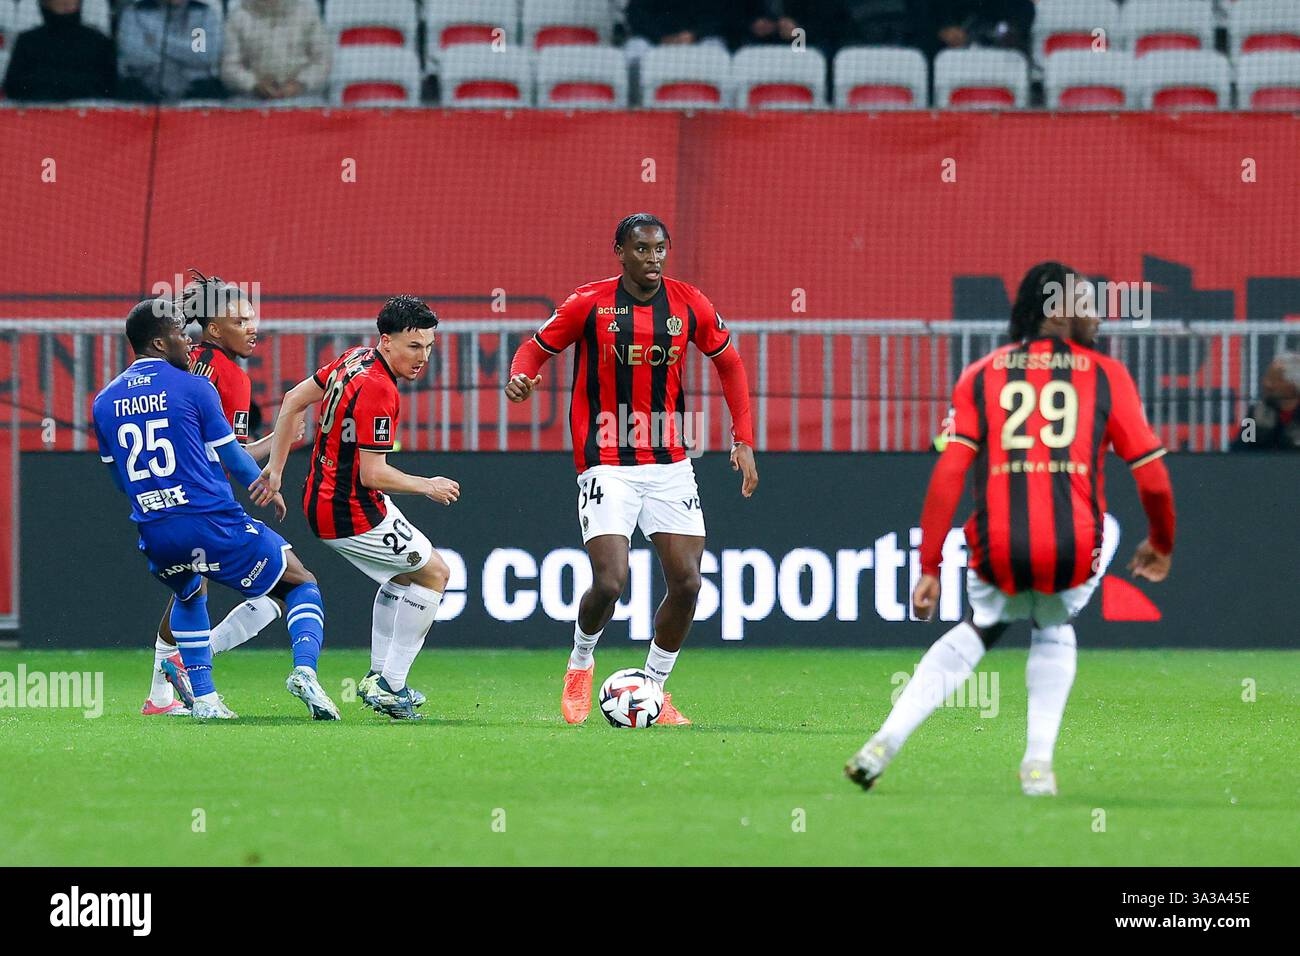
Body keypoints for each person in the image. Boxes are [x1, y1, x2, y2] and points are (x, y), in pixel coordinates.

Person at [845, 262, 1176, 796]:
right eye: (1086, 303)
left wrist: (929, 566)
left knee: (988, 620)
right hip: (1072, 549)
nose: (1096, 315)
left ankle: (885, 741)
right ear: (1056, 310)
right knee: (1055, 617)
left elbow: (949, 473)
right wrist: (1161, 542)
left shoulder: (981, 374)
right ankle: (1037, 765)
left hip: (996, 545)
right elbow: (1154, 479)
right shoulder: (1106, 374)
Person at [505, 212, 759, 726]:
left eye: (661, 249)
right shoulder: (588, 303)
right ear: (619, 251)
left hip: (670, 460)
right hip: (606, 459)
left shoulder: (690, 303)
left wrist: (743, 439)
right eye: (642, 249)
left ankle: (655, 691)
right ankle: (580, 665)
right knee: (611, 582)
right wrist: (519, 377)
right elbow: (535, 348)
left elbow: (729, 363)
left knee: (687, 583)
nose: (653, 259)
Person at [94, 298, 339, 720]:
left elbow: (120, 480)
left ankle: (204, 700)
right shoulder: (195, 387)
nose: (186, 337)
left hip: (155, 528)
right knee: (299, 582)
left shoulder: (104, 401)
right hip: (210, 519)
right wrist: (266, 485)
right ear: (157, 340)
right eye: (176, 330)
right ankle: (304, 671)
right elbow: (234, 456)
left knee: (190, 595)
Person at [253, 296, 459, 721]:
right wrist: (428, 486)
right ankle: (389, 684)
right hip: (349, 508)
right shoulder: (380, 390)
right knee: (436, 573)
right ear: (386, 342)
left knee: (404, 576)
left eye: (429, 347)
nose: (423, 358)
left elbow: (293, 398)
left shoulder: (353, 358)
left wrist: (275, 469)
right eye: (414, 346)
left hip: (324, 495)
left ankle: (381, 679)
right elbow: (373, 473)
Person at [141, 271, 304, 716]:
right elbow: (223, 453)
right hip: (206, 500)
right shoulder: (231, 377)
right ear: (213, 328)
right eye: (239, 320)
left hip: (159, 491)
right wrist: (275, 449)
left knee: (190, 590)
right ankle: (190, 670)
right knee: (287, 586)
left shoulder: (185, 360)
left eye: (252, 317)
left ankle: (159, 695)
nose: (252, 327)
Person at [2, 0, 116, 102]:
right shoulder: (27, 41)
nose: (65, 3)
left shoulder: (98, 42)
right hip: (37, 117)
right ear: (44, 4)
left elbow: (109, 87)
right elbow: (13, 87)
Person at [221, 0, 331, 102]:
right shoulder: (239, 16)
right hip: (251, 99)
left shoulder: (306, 14)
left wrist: (299, 83)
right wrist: (254, 84)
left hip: (303, 98)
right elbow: (229, 67)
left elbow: (322, 61)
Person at [117, 0, 225, 102]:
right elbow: (135, 57)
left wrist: (157, 41)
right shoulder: (135, 12)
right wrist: (184, 51)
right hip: (146, 85)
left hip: (195, 87)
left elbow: (203, 55)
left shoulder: (202, 13)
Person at [1231, 352, 1300, 451]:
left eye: (1276, 380)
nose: (1267, 384)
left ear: (1294, 385)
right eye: (1267, 377)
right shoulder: (1257, 413)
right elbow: (1240, 450)